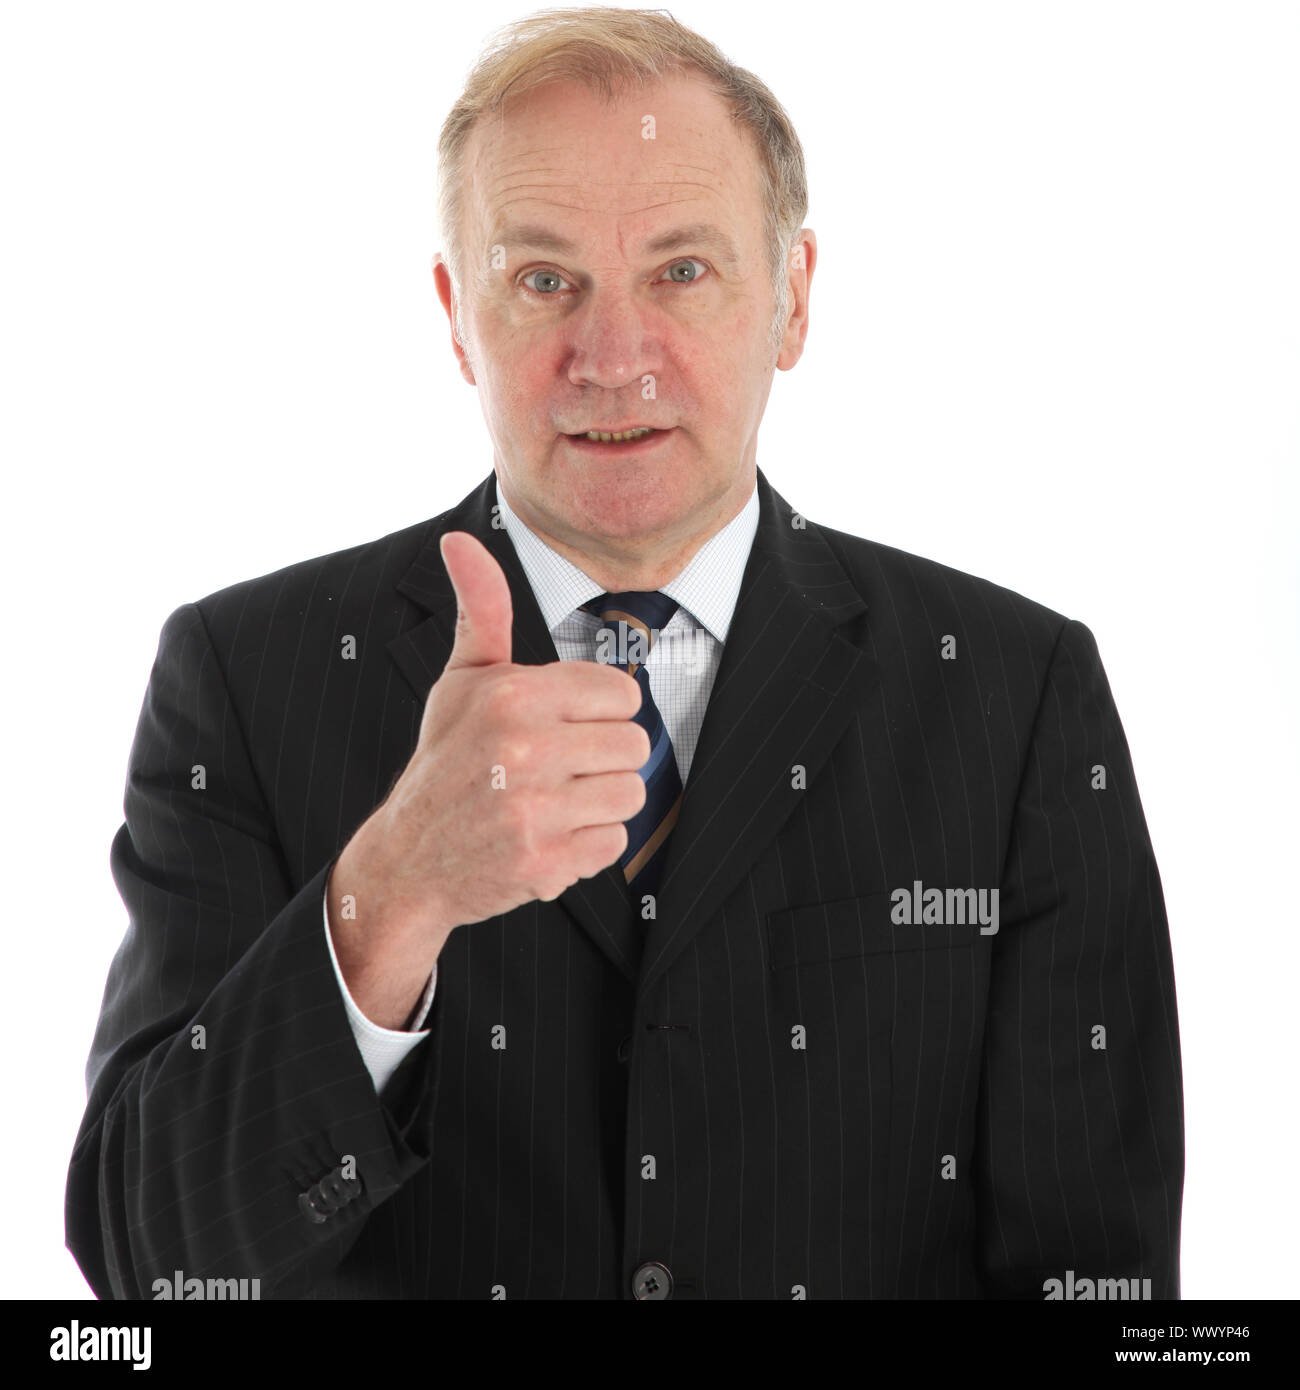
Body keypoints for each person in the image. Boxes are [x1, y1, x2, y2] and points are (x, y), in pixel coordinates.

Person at [66, 6, 1184, 1300]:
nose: (612, 359)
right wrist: (387, 898)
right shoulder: (244, 677)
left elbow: (1101, 1282)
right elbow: (150, 1268)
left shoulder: (1014, 690)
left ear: (794, 298)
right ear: (454, 313)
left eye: (683, 271)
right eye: (544, 280)